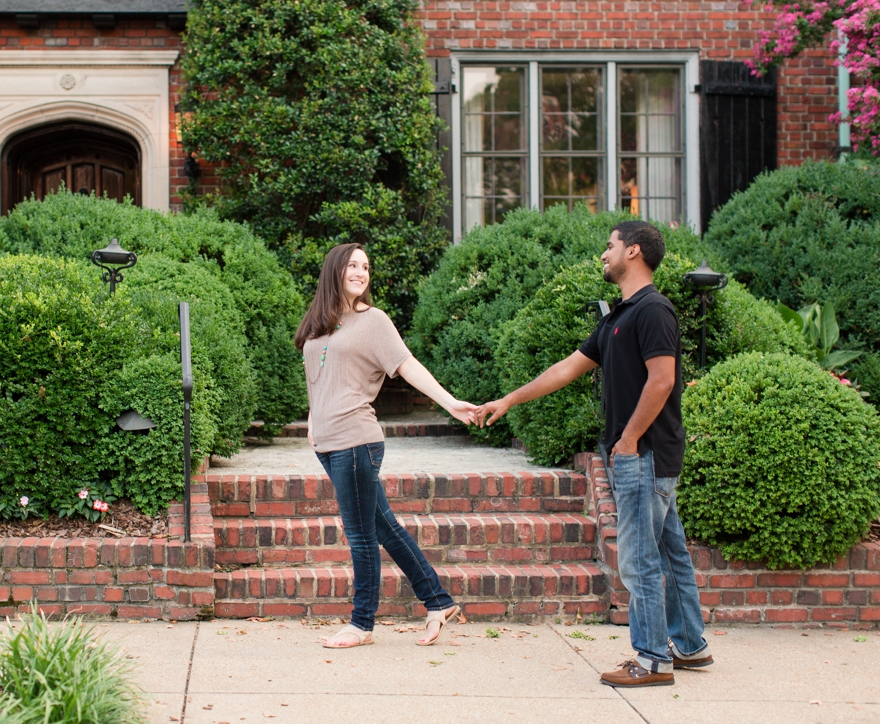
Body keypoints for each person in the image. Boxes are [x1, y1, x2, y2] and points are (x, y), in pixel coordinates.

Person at [473, 221, 712, 688]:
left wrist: (629, 440)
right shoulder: (619, 316)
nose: (604, 254)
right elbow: (567, 368)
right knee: (669, 553)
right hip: (644, 455)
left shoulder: (654, 309)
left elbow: (662, 380)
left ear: (633, 251)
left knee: (639, 560)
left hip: (644, 455)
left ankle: (653, 660)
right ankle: (689, 645)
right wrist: (510, 399)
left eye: (610, 246)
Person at [296, 242, 479, 649]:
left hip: (355, 441)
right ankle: (438, 601)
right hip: (328, 443)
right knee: (384, 528)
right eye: (352, 265)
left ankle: (361, 624)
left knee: (361, 536)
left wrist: (450, 403)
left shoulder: (374, 320)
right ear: (334, 270)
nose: (360, 272)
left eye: (365, 267)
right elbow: (319, 377)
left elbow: (406, 365)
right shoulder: (322, 322)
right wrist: (312, 420)